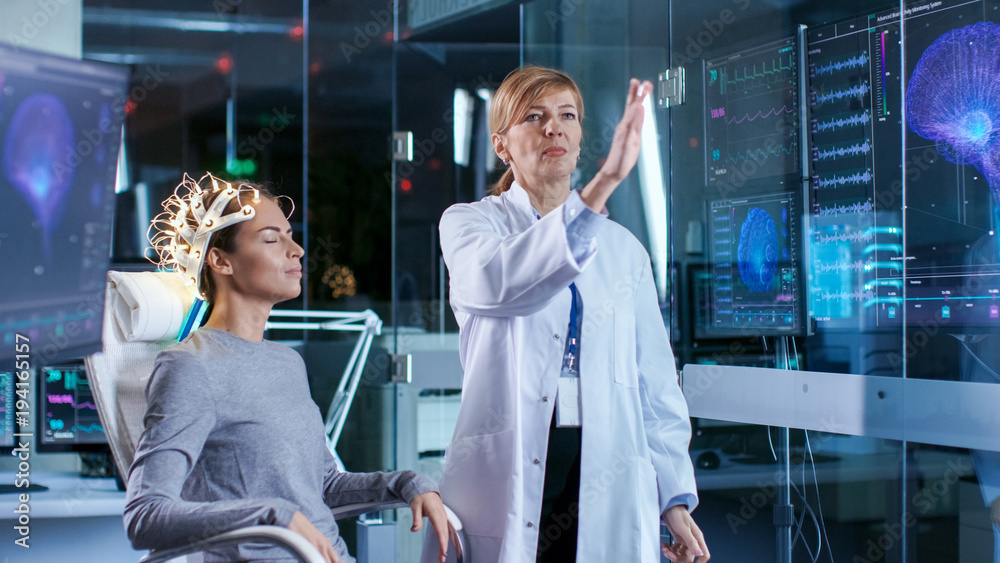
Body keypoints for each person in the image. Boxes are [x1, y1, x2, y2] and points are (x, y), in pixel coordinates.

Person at [424, 66, 710, 563]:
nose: (553, 127)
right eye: (533, 116)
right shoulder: (470, 225)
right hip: (509, 471)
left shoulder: (624, 250)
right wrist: (606, 183)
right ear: (502, 145)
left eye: (567, 116)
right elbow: (506, 282)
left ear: (579, 137)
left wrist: (674, 500)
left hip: (606, 464)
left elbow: (655, 385)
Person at [125, 173, 452, 563]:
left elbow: (325, 486)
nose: (296, 249)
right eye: (270, 239)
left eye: (290, 234)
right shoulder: (191, 366)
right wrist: (271, 513)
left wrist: (408, 483)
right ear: (219, 260)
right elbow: (145, 517)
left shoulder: (286, 361)